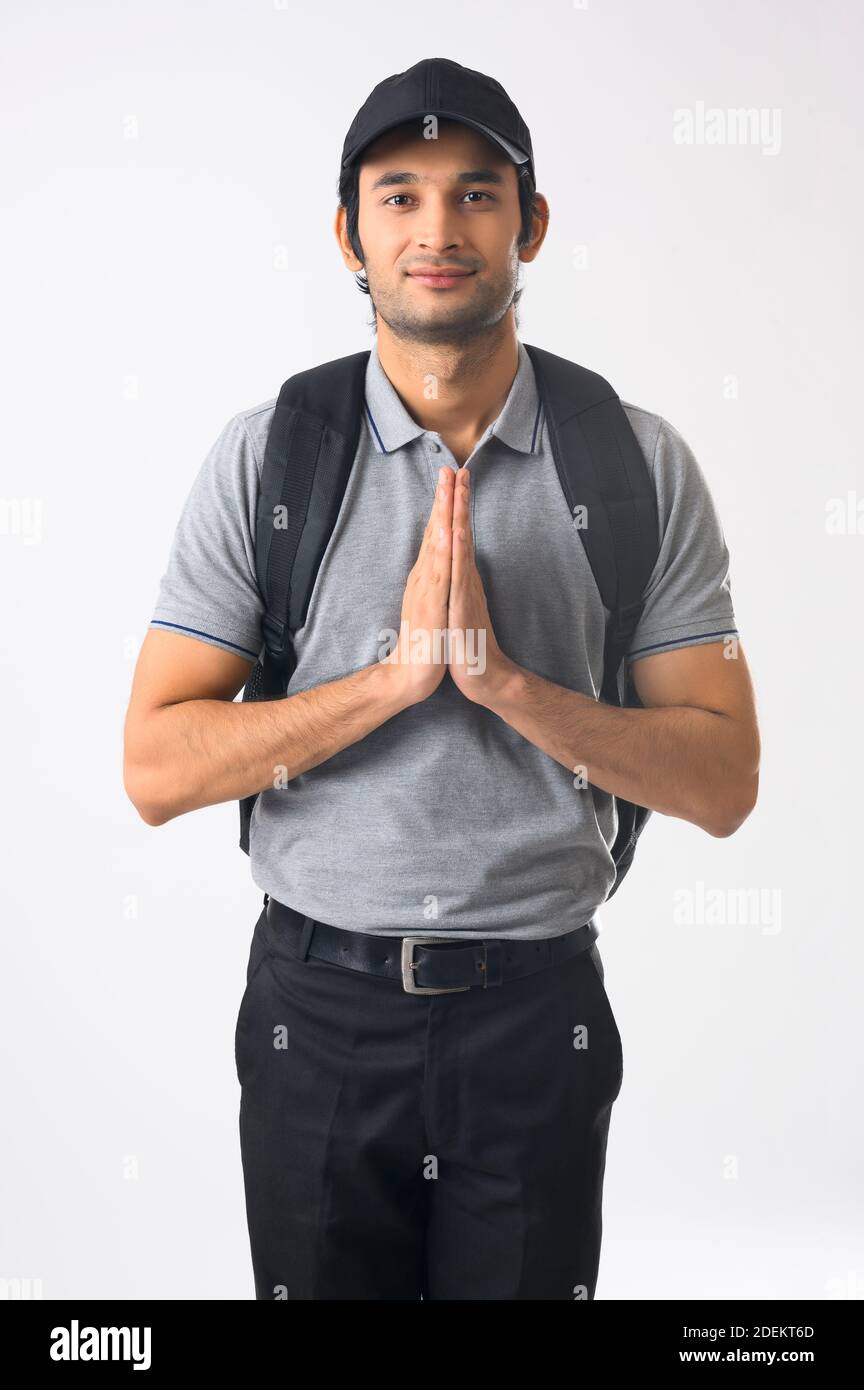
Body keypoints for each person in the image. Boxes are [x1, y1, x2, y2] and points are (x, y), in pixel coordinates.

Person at [123, 57, 760, 1300]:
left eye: (476, 195)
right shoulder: (272, 457)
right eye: (399, 194)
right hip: (319, 1013)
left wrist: (510, 685)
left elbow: (727, 778)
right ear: (349, 232)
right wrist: (394, 682)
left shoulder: (633, 461)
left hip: (537, 1015)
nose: (437, 229)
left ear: (530, 224)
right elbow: (153, 767)